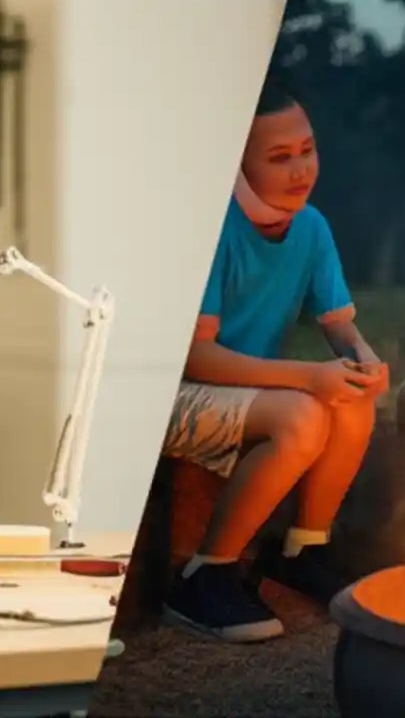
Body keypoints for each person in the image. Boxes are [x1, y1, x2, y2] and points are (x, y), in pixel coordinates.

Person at [159, 80, 389, 642]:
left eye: (307, 150)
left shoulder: (310, 227)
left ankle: (303, 550)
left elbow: (338, 324)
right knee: (304, 415)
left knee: (353, 399)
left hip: (247, 391)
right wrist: (309, 377)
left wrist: (362, 358)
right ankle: (203, 575)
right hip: (174, 392)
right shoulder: (214, 227)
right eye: (279, 157)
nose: (300, 169)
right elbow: (195, 358)